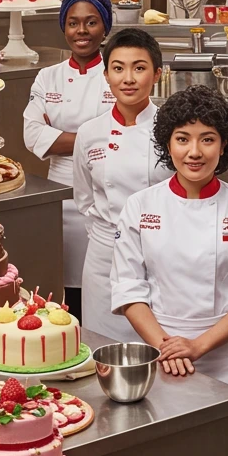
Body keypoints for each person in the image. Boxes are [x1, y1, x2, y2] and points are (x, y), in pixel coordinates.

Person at [111, 86, 228, 456]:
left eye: (207, 138)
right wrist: (168, 345)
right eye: (182, 138)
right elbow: (130, 289)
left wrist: (197, 345)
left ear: (224, 144)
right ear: (167, 143)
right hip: (159, 360)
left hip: (225, 362)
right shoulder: (141, 206)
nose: (194, 151)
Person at [22, 0, 115, 321]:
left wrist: (59, 135)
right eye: (73, 23)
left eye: (92, 22)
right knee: (67, 288)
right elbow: (32, 135)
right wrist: (98, 137)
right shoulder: (49, 77)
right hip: (60, 195)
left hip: (110, 192)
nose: (82, 31)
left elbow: (128, 132)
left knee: (109, 286)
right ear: (64, 27)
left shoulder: (117, 72)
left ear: (104, 28)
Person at [73, 28, 171, 339]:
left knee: (160, 350)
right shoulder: (89, 133)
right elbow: (84, 199)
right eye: (118, 68)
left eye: (139, 68)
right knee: (103, 349)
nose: (128, 78)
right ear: (106, 75)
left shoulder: (173, 131)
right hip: (105, 258)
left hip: (162, 253)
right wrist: (107, 236)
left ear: (156, 74)